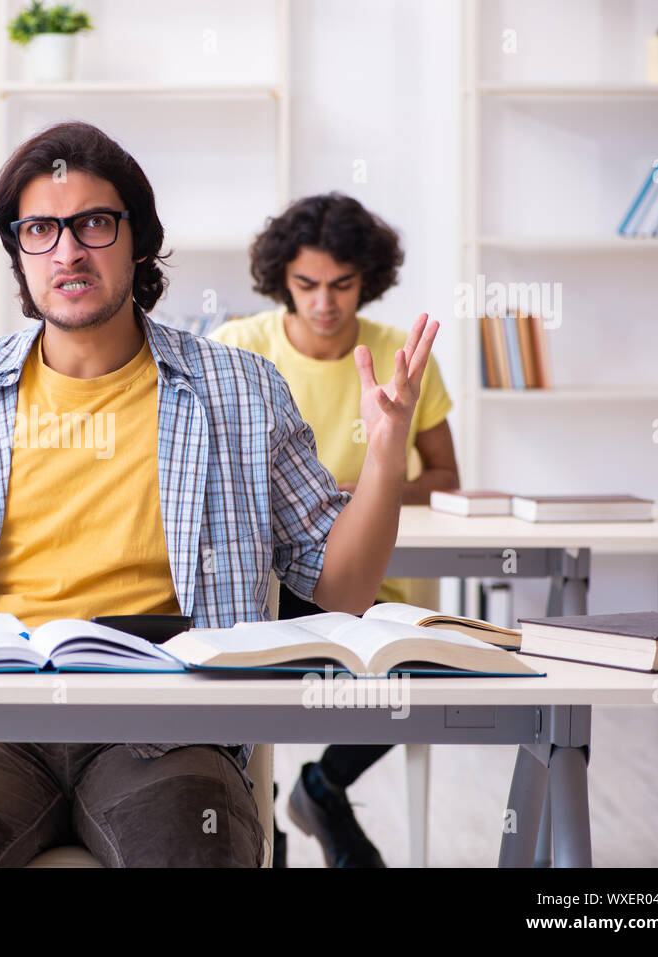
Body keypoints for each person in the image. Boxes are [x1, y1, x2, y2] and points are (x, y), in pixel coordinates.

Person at [0, 124, 439, 867]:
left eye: (94, 222)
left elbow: (342, 588)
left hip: (168, 730)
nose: (68, 250)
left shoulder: (240, 391)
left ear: (138, 241)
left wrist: (385, 453)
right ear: (19, 256)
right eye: (40, 229)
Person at [209, 192, 458, 867]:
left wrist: (375, 481)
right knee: (226, 666)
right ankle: (263, 820)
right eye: (307, 285)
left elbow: (443, 475)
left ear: (366, 280)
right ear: (280, 279)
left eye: (342, 285)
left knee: (429, 667)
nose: (325, 302)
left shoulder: (399, 356)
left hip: (368, 581)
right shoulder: (236, 348)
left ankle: (324, 785)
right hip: (266, 586)